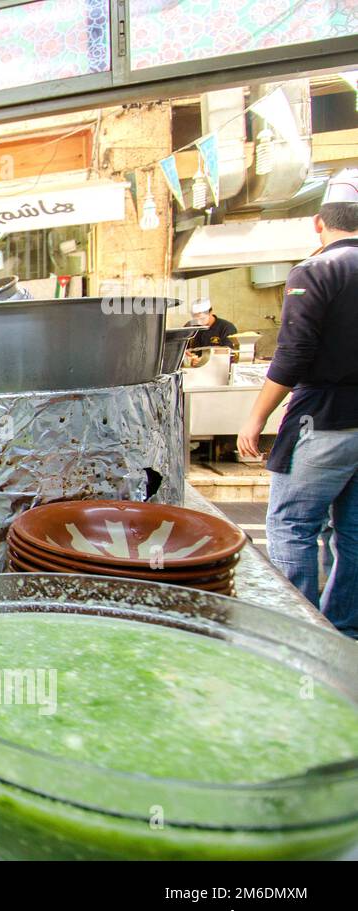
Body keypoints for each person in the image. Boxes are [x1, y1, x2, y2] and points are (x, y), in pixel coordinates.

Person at [238, 168, 358, 637]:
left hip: (323, 420)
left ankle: (299, 638)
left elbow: (294, 354)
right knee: (352, 533)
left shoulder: (316, 270)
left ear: (318, 223)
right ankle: (344, 631)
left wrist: (256, 416)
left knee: (292, 526)